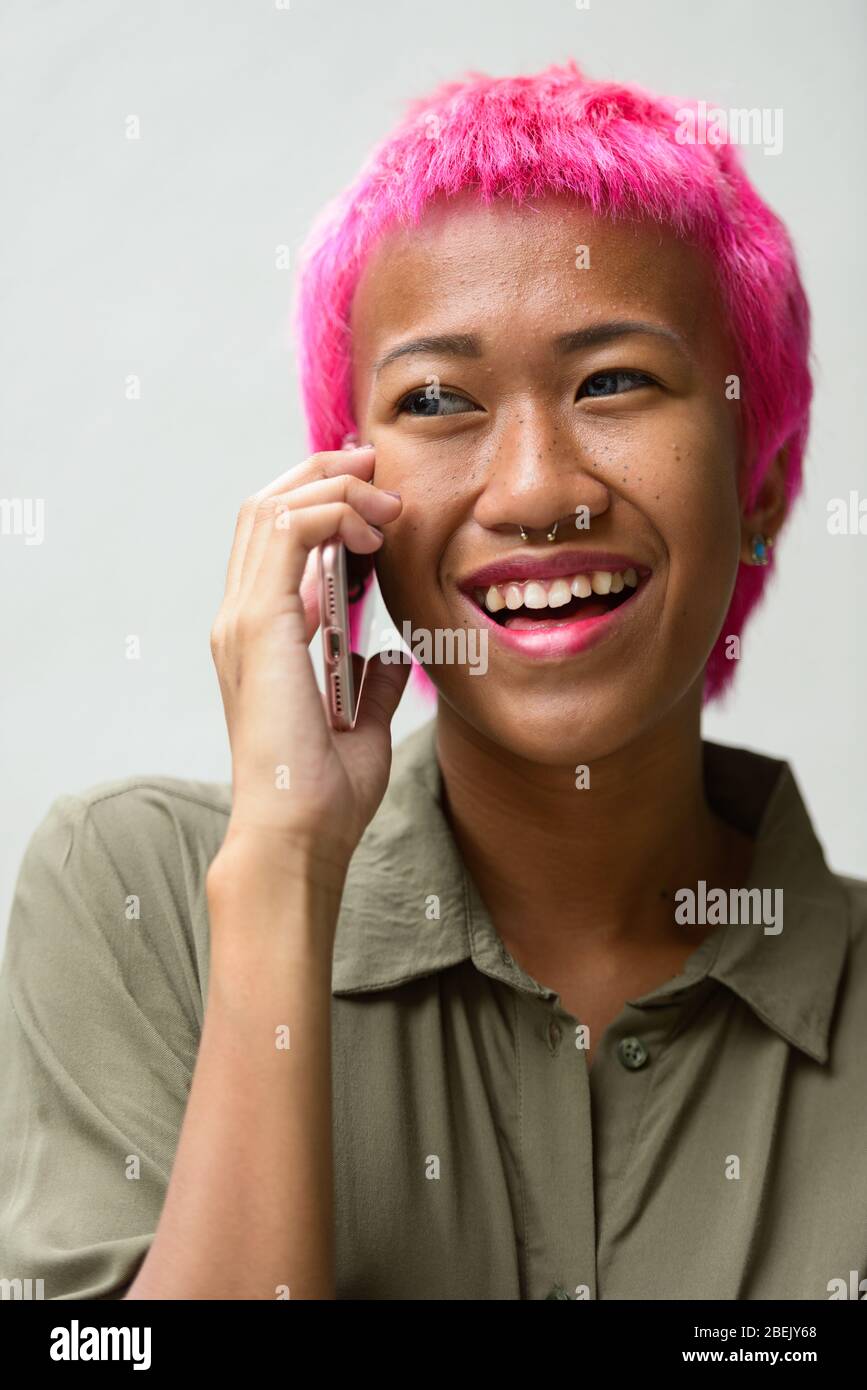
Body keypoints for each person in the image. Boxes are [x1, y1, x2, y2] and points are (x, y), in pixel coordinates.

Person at [1, 61, 865, 1303]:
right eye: (438, 399)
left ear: (764, 484)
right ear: (346, 500)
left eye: (614, 380)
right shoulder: (132, 899)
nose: (532, 490)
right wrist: (286, 872)